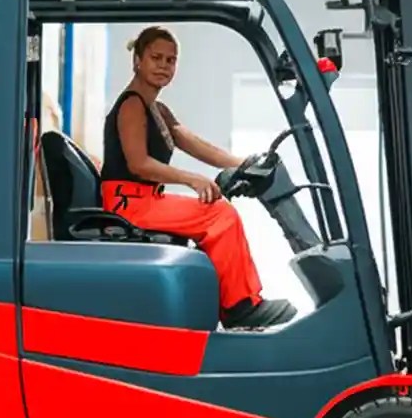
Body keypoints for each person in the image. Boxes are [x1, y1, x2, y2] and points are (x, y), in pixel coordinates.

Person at [99, 25, 296, 330]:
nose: (164, 65)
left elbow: (197, 145)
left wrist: (245, 162)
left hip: (144, 200)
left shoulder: (158, 110)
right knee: (219, 216)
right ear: (137, 60)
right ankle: (238, 307)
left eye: (171, 60)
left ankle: (240, 301)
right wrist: (192, 179)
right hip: (127, 203)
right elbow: (139, 164)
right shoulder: (132, 104)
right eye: (156, 58)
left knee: (218, 210)